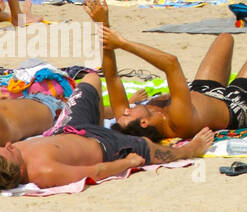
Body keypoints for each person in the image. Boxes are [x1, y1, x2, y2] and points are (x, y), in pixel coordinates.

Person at [86, 0, 247, 137]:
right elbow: (171, 64)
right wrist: (123, 43)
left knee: (225, 38)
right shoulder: (178, 120)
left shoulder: (137, 115)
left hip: (201, 92)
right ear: (144, 124)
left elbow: (112, 76)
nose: (124, 111)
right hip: (234, 105)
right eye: (126, 116)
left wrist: (103, 24)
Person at [0, 73, 213, 190]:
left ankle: (100, 119)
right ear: (19, 172)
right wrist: (126, 163)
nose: (9, 145)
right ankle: (190, 150)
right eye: (10, 151)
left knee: (91, 79)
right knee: (148, 149)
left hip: (71, 128)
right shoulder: (44, 172)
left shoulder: (7, 158)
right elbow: (96, 172)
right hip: (105, 145)